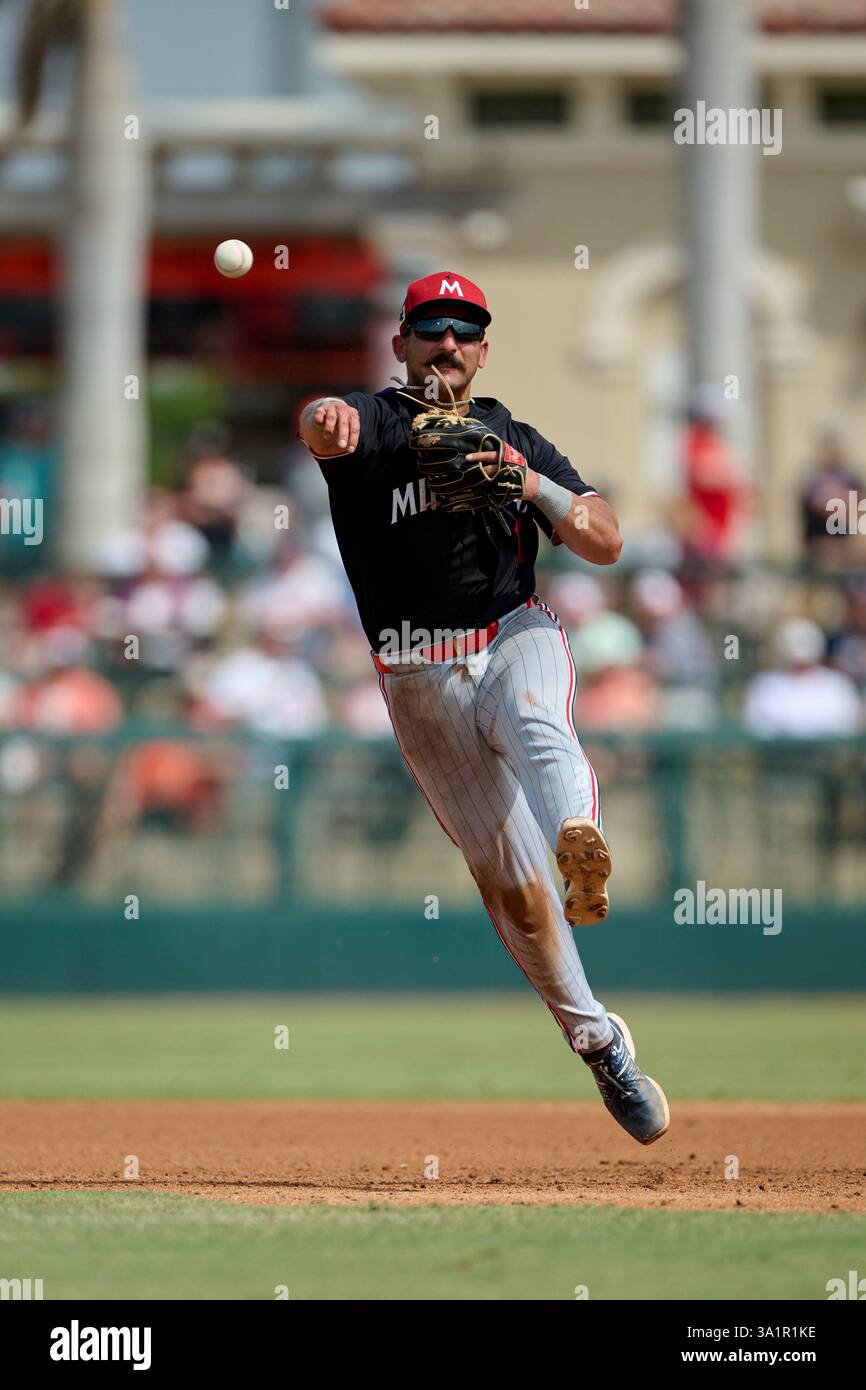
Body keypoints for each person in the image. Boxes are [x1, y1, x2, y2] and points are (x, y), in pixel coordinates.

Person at [297, 270, 669, 1145]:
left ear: (484, 350)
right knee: (513, 891)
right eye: (431, 329)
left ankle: (582, 836)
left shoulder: (512, 434)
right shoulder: (379, 424)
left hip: (509, 633)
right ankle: (599, 1040)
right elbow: (320, 421)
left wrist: (525, 480)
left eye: (465, 330)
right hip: (417, 674)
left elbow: (605, 540)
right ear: (402, 346)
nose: (448, 343)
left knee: (540, 718)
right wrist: (326, 419)